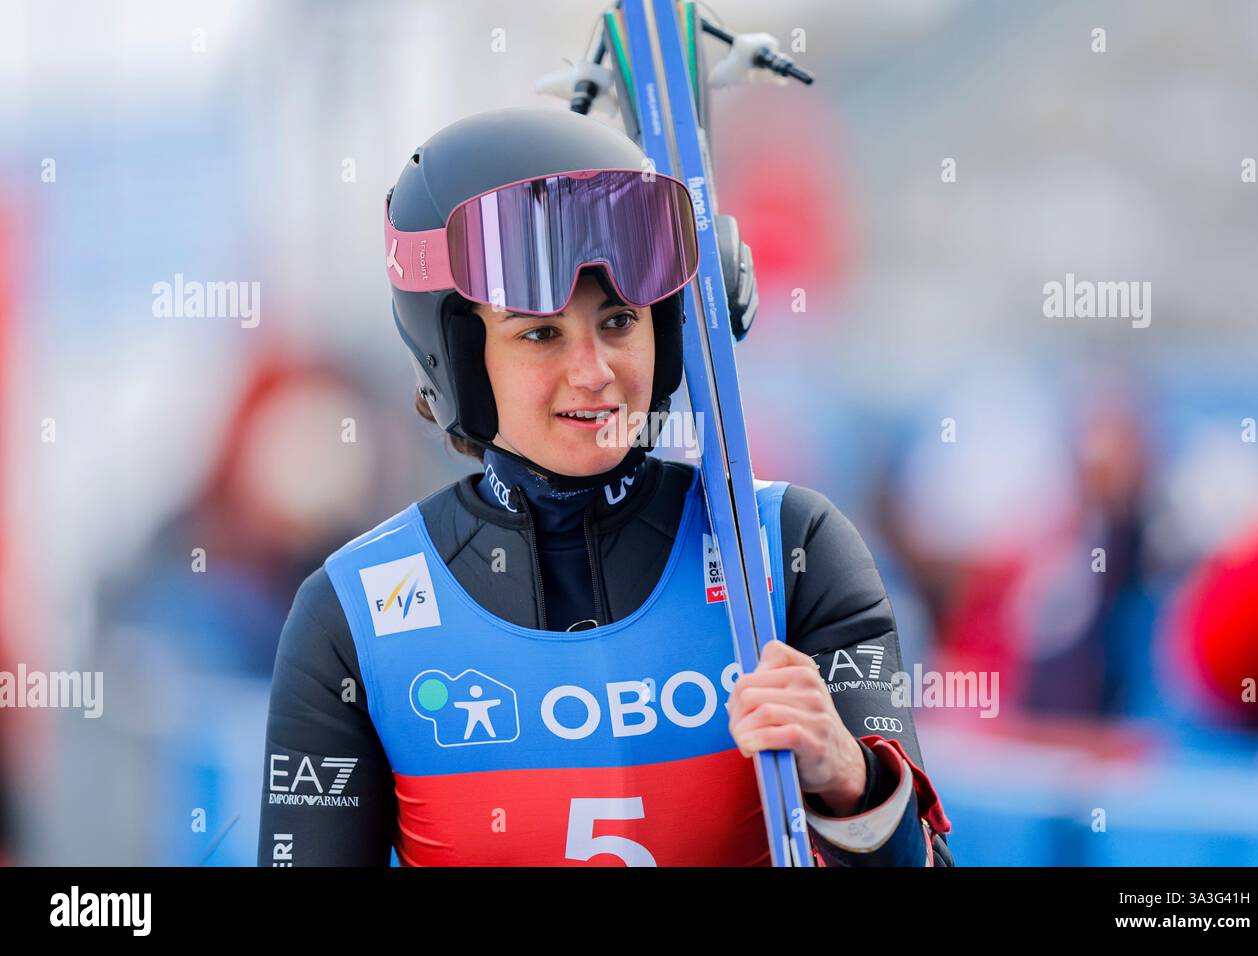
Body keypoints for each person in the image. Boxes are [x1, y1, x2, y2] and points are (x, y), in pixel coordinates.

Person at [257, 107, 952, 866]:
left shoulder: (789, 550)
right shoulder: (355, 614)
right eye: (540, 333)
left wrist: (847, 783)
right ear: (456, 357)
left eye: (619, 321)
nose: (595, 372)